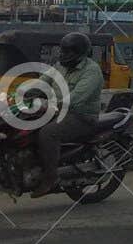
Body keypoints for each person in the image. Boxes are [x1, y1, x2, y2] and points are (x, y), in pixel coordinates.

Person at [31, 32, 104, 198]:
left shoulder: (92, 71)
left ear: (80, 53)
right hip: (56, 111)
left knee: (48, 133)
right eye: (62, 51)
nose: (64, 55)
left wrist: (52, 103)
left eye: (68, 52)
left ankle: (51, 177)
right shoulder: (60, 66)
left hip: (81, 117)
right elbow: (42, 82)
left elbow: (75, 98)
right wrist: (22, 92)